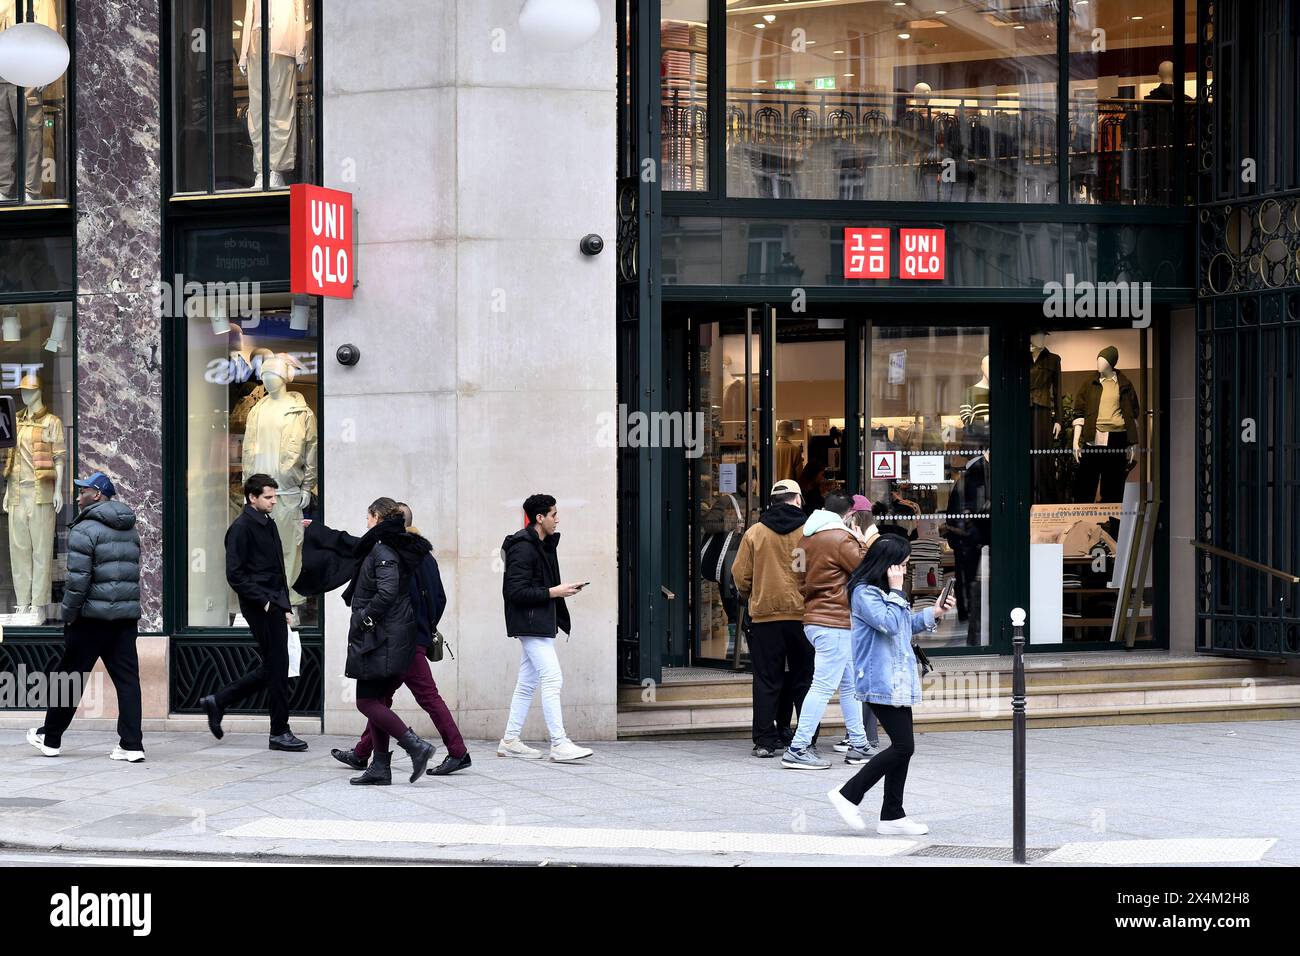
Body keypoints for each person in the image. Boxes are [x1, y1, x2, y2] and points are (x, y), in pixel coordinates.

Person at [827, 533, 956, 836]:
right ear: (888, 565)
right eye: (902, 565)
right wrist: (897, 591)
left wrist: (934, 613)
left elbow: (902, 626)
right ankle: (847, 795)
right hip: (879, 680)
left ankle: (892, 814)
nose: (905, 570)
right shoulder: (863, 592)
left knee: (904, 748)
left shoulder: (884, 592)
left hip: (897, 681)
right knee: (903, 746)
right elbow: (889, 623)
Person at [331, 502, 471, 777]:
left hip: (401, 639)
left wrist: (402, 626)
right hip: (412, 634)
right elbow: (439, 598)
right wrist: (428, 626)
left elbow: (391, 594)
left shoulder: (399, 553)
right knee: (379, 698)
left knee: (411, 697)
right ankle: (364, 755)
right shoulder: (422, 554)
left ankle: (455, 751)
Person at [27, 472, 144, 762]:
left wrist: (68, 615)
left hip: (90, 619)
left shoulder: (85, 529)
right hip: (124, 620)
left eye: (84, 491)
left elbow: (78, 581)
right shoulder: (129, 528)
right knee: (128, 681)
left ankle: (50, 738)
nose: (78, 496)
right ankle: (132, 745)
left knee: (69, 678)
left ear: (99, 495)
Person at [200, 474, 307, 752]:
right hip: (259, 605)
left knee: (275, 666)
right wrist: (267, 603)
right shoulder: (241, 528)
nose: (273, 502)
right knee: (278, 665)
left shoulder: (268, 524)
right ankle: (279, 732)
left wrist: (283, 605)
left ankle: (220, 700)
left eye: (274, 497)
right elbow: (235, 575)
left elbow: (278, 570)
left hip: (273, 603)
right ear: (252, 498)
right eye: (268, 497)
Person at [343, 498, 440, 785]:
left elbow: (387, 592)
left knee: (366, 702)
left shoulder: (383, 549)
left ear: (376, 516)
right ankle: (380, 768)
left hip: (381, 639)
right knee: (377, 701)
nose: (366, 522)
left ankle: (416, 746)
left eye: (368, 517)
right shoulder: (394, 546)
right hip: (391, 637)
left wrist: (365, 619)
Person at [781, 492, 878, 770]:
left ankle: (858, 743)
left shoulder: (804, 538)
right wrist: (862, 539)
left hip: (815, 618)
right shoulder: (840, 538)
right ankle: (798, 748)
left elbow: (797, 578)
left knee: (849, 685)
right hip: (834, 621)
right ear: (848, 515)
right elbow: (868, 568)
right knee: (823, 686)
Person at [497, 493, 594, 762]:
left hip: (538, 621)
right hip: (530, 622)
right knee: (553, 678)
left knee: (527, 683)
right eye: (553, 514)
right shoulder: (523, 547)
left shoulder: (542, 544)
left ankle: (510, 740)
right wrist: (554, 592)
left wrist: (559, 591)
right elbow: (514, 591)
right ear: (539, 518)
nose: (557, 519)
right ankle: (559, 743)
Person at [730, 478, 813, 758]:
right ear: (798, 499)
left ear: (773, 502)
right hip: (804, 617)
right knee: (804, 679)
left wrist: (749, 594)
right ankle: (806, 738)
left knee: (767, 679)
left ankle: (765, 740)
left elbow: (740, 575)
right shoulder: (810, 531)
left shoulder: (755, 533)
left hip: (765, 616)